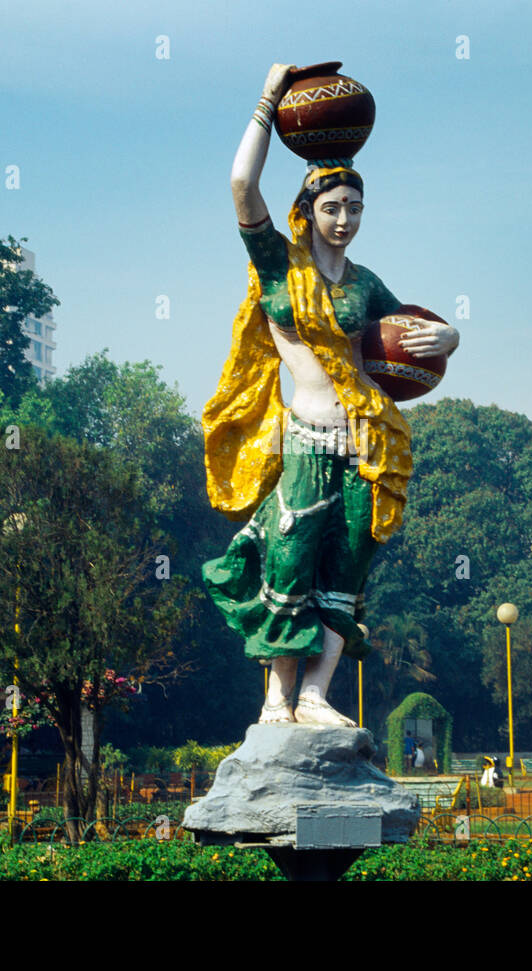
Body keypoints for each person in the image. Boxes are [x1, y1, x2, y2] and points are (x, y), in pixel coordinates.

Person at [203, 63, 460, 727]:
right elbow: (240, 183)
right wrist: (266, 99)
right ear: (307, 211)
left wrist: (449, 335)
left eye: (354, 208)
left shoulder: (366, 285)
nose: (344, 219)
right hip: (308, 440)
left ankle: (316, 693)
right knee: (291, 563)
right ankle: (276, 702)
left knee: (348, 570)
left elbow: (413, 333)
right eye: (332, 207)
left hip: (367, 442)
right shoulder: (278, 267)